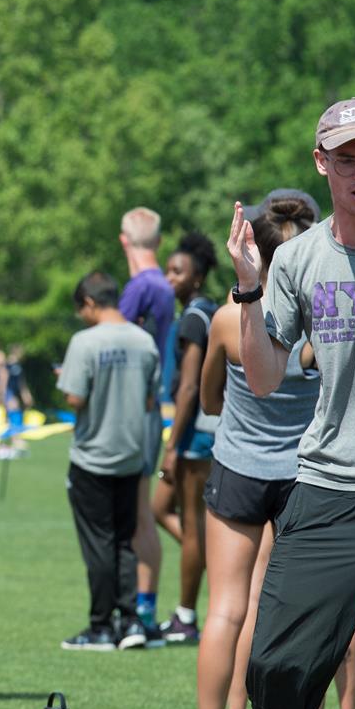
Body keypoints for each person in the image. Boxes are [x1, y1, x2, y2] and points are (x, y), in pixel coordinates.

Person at [214, 98, 355, 709]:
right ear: (322, 162)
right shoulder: (300, 260)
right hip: (329, 483)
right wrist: (249, 287)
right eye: (347, 158)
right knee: (275, 667)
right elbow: (266, 370)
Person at [185, 195, 320, 709]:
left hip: (238, 468)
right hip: (304, 475)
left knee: (226, 610)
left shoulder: (224, 318)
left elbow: (208, 400)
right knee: (304, 620)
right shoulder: (322, 319)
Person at [55, 271, 160, 652]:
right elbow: (150, 401)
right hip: (132, 456)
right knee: (124, 541)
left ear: (88, 303)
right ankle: (130, 619)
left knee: (98, 543)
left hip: (92, 458)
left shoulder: (84, 342)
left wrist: (65, 380)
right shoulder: (145, 341)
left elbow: (75, 398)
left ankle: (100, 626)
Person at [151, 231, 220, 644]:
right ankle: (218, 564)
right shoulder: (201, 312)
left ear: (196, 278)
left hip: (197, 435)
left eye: (178, 271)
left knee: (193, 525)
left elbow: (190, 388)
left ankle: (186, 616)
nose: (169, 276)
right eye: (168, 269)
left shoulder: (195, 317)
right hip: (197, 433)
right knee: (161, 508)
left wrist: (172, 447)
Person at [118, 207, 172, 631]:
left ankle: (140, 612)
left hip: (136, 411)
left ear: (124, 241)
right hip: (153, 409)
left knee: (135, 514)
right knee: (141, 513)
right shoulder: (166, 286)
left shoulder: (139, 287)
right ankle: (146, 607)